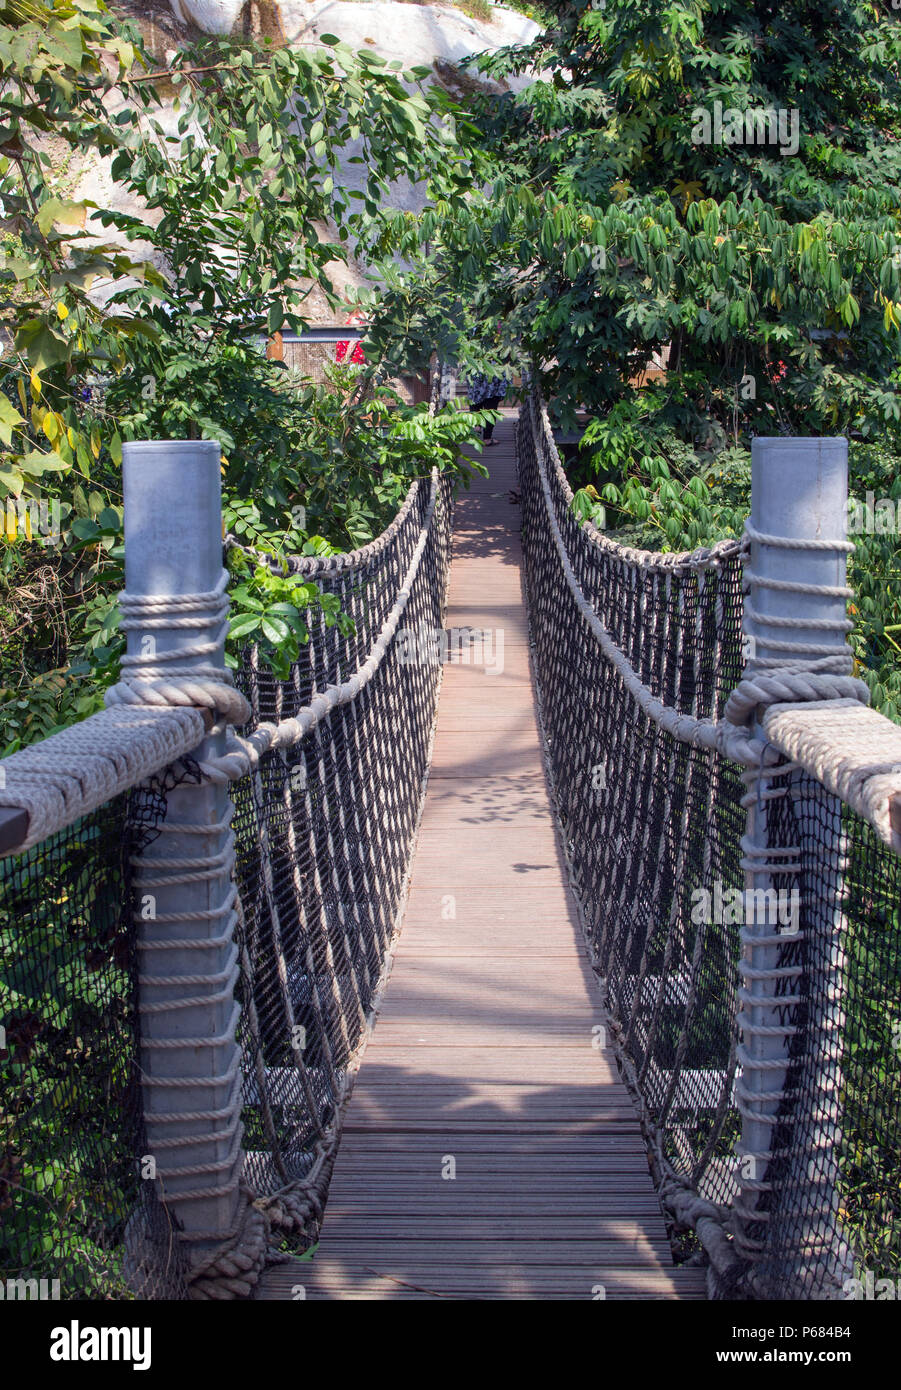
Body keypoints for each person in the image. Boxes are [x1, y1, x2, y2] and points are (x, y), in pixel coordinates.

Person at [466, 371, 508, 444]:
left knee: (475, 401)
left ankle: (476, 427)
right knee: (490, 409)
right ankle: (487, 438)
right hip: (493, 373)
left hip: (475, 371)